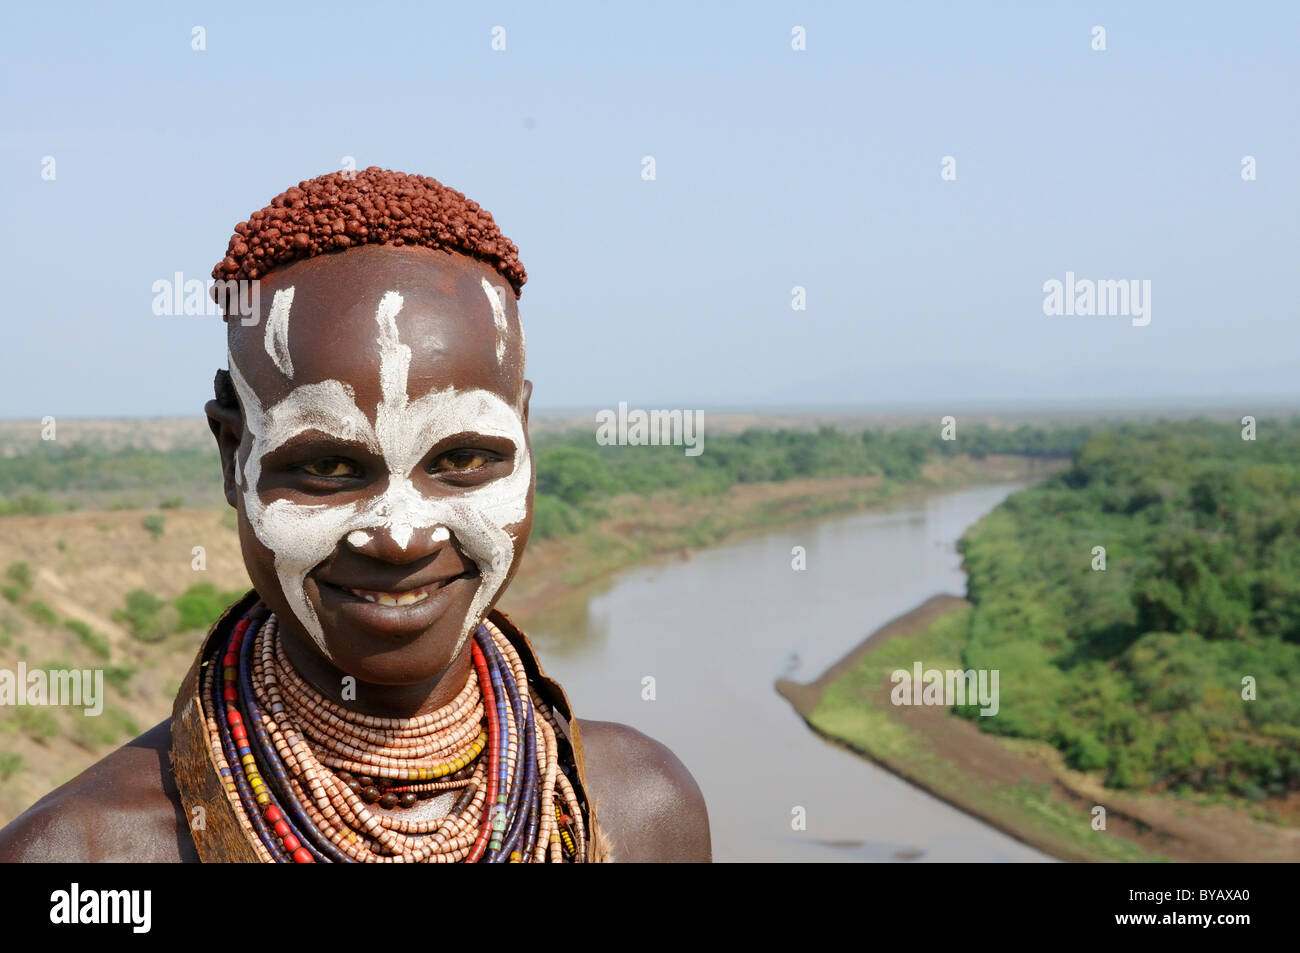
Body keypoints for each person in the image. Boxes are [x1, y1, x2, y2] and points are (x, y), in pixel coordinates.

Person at [0, 167, 711, 862]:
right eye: (328, 467)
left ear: (524, 434)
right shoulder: (86, 853)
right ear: (232, 456)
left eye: (462, 458)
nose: (401, 536)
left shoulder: (640, 809)